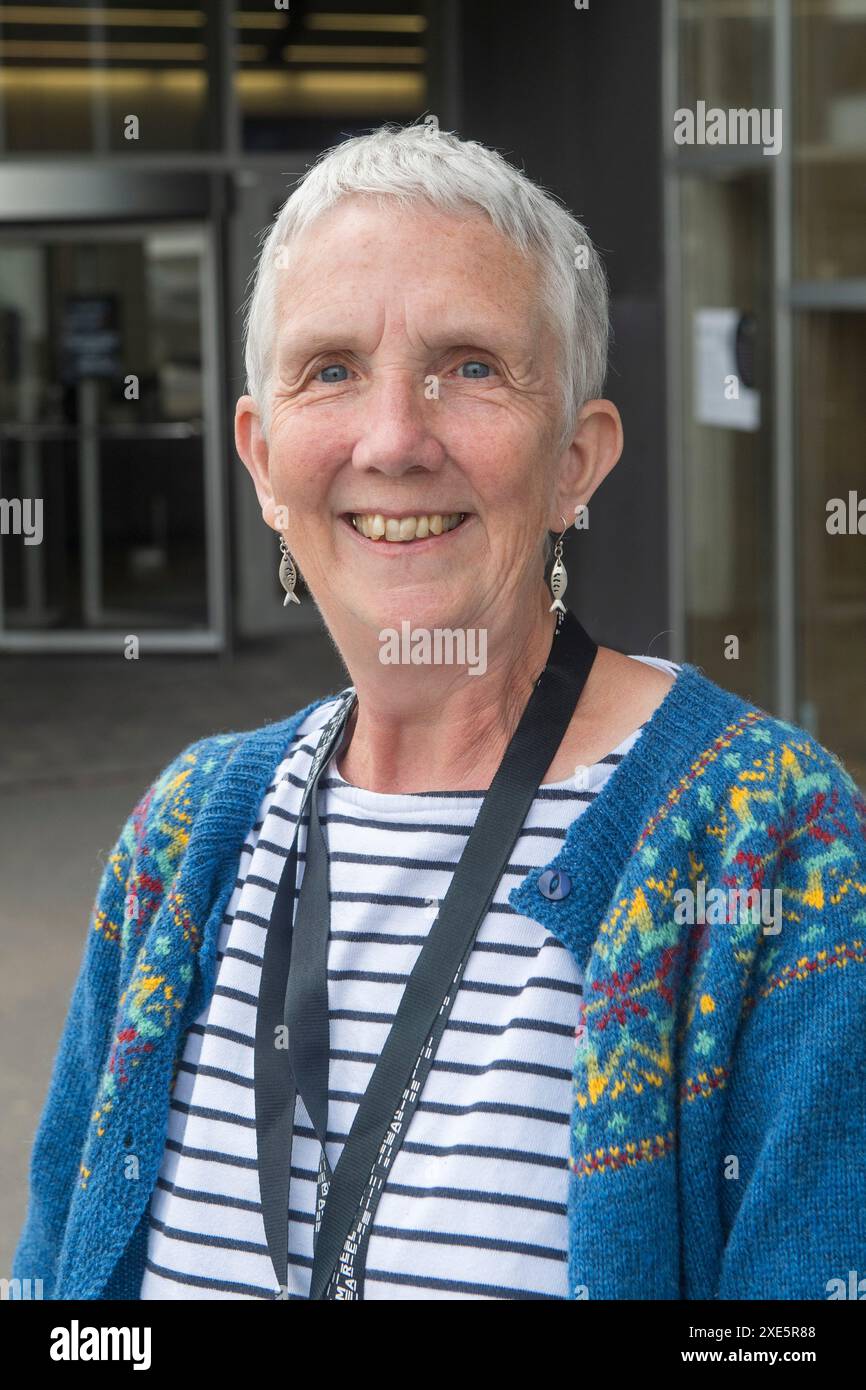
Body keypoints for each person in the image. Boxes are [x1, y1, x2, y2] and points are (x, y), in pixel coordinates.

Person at [13, 123, 866, 1302]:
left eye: (468, 364)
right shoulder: (183, 838)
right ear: (262, 463)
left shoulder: (774, 841)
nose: (394, 441)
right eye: (329, 370)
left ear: (576, 457)